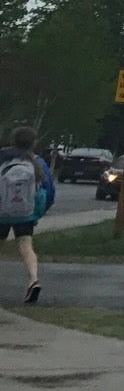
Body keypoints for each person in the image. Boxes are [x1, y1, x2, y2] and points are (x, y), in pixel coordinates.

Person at [0, 126, 53, 304]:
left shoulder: (2, 158)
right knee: (26, 246)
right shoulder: (37, 163)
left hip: (2, 210)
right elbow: (48, 191)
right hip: (26, 212)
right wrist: (39, 212)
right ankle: (33, 280)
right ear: (33, 143)